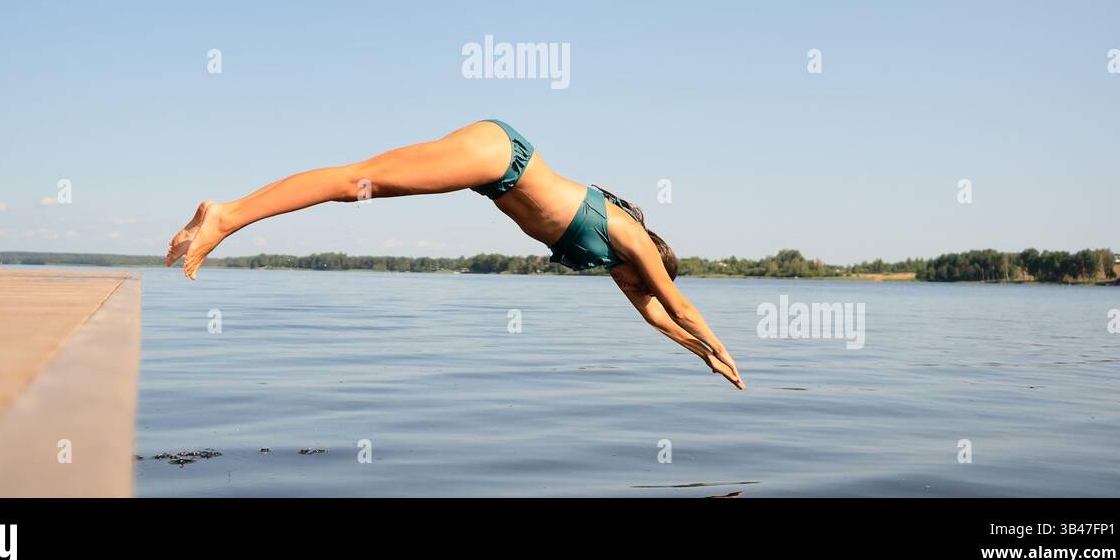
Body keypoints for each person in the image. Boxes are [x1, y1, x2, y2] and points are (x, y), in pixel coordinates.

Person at [167, 120, 744, 389]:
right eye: (646, 284)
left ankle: (227, 214)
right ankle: (225, 216)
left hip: (492, 172)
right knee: (355, 183)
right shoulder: (632, 242)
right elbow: (679, 307)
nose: (639, 294)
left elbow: (658, 317)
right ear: (652, 267)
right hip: (502, 156)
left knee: (358, 186)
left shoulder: (617, 267)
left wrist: (702, 358)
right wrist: (723, 347)